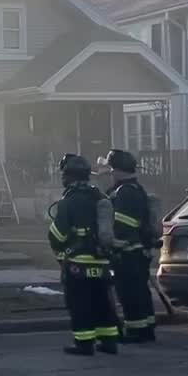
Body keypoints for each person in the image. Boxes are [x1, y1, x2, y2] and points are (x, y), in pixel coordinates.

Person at [48, 153, 120, 356]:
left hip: (78, 262)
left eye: (64, 175)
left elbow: (57, 235)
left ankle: (84, 344)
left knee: (80, 304)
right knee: (103, 302)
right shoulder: (100, 197)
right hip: (102, 260)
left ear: (69, 176)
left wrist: (61, 252)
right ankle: (109, 341)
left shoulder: (68, 201)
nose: (63, 178)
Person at [104, 149, 157, 343]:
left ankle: (137, 331)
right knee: (140, 292)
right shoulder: (134, 189)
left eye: (112, 169)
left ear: (118, 170)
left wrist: (110, 240)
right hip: (137, 251)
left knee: (130, 294)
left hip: (128, 252)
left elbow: (123, 223)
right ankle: (147, 328)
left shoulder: (125, 193)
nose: (110, 173)